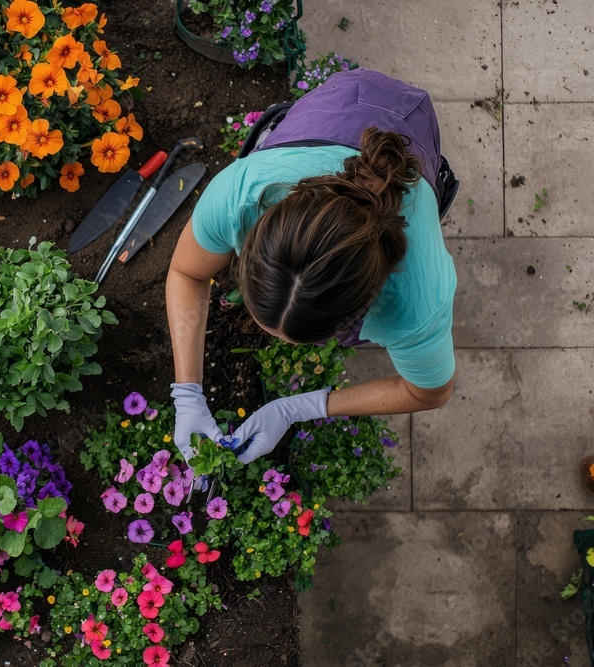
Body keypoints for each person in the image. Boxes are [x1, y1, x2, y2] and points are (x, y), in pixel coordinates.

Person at [166, 68, 456, 469]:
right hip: (341, 100)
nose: (280, 344)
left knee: (412, 141)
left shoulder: (417, 304)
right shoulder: (240, 194)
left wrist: (303, 407)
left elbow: (431, 393)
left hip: (411, 126)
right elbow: (186, 273)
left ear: (365, 306)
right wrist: (187, 393)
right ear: (251, 242)